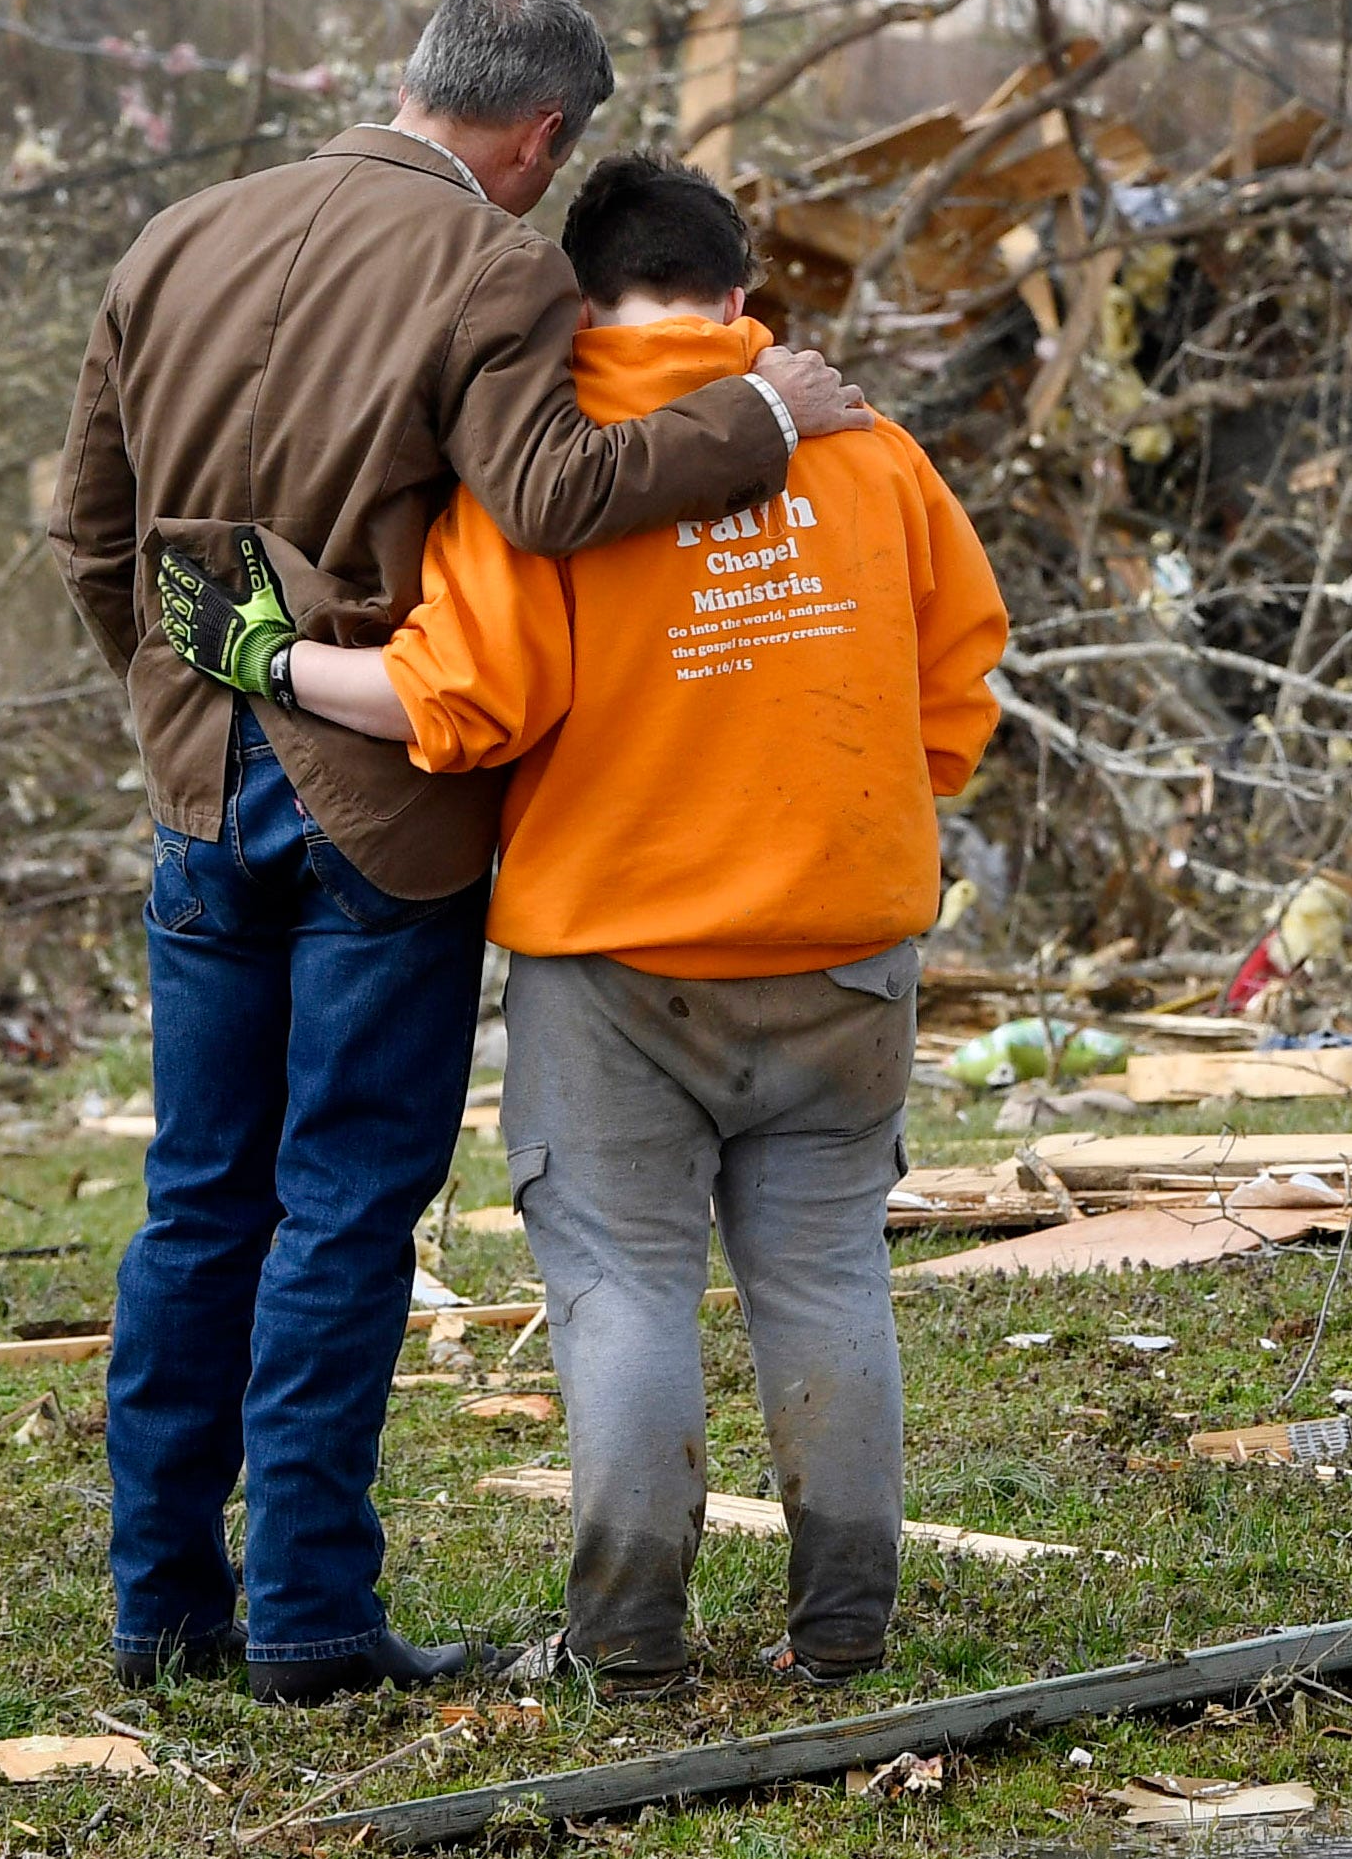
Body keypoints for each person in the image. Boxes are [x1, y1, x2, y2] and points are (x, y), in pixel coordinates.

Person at [48, 0, 874, 1707]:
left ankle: (160, 1604)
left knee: (196, 1198)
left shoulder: (174, 236)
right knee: (344, 1202)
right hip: (383, 803)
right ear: (544, 133)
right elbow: (559, 494)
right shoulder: (495, 266)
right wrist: (761, 416)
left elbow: (90, 533)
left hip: (198, 789)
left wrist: (181, 702)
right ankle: (311, 1619)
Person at [159, 152, 1008, 1691]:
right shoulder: (869, 448)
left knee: (623, 1283)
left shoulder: (545, 475)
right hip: (849, 948)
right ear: (739, 294)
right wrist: (870, 806)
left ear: (575, 303)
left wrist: (266, 663)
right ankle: (843, 1627)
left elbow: (457, 704)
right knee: (827, 1275)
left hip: (620, 964)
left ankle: (629, 1643)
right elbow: (960, 674)